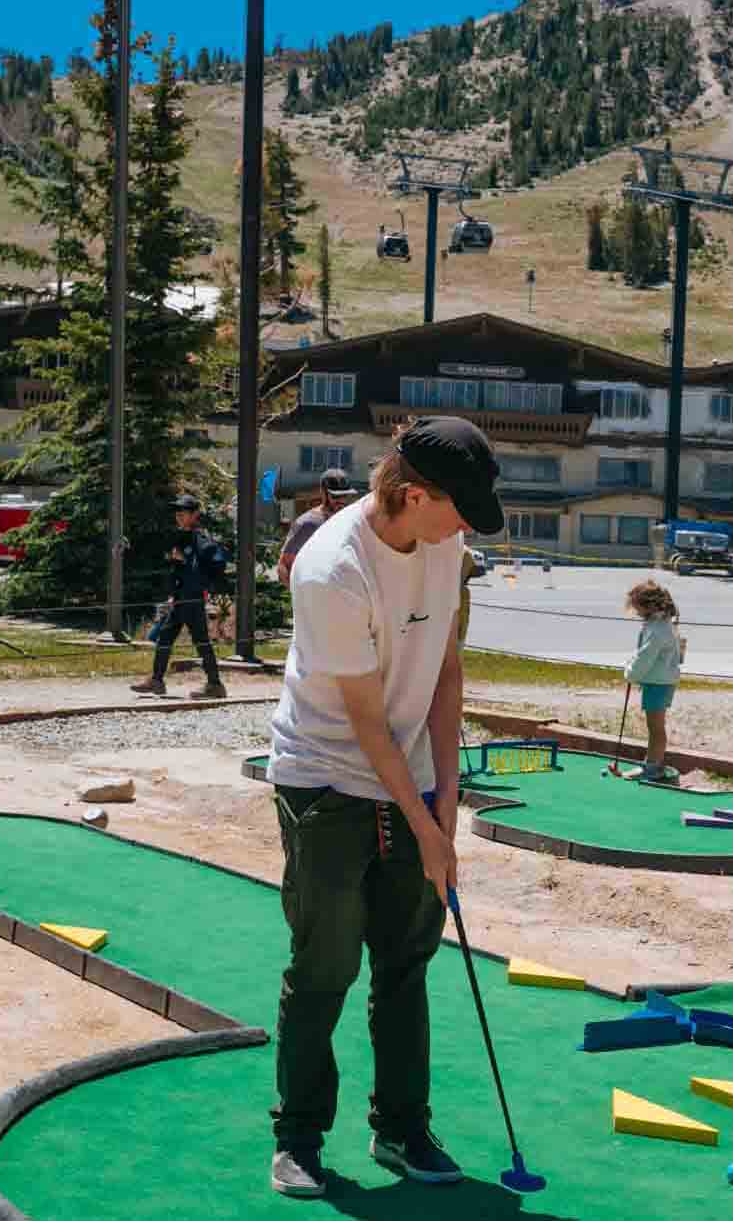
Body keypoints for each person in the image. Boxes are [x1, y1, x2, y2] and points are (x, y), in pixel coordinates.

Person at [263, 415, 504, 1199]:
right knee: (325, 963)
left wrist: (448, 808)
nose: (467, 522)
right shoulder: (333, 568)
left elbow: (445, 672)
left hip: (411, 770)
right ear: (411, 493)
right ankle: (298, 1137)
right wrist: (423, 823)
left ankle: (401, 1127)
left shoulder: (446, 547)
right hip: (325, 777)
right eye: (457, 504)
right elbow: (366, 722)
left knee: (406, 960)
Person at [131, 493, 229, 700]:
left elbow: (217, 561)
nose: (179, 516)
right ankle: (158, 680)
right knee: (168, 637)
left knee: (199, 641)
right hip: (181, 597)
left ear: (195, 515)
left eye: (183, 512)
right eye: (178, 512)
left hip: (191, 598)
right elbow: (181, 567)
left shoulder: (201, 539)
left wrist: (201, 580)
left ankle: (214, 685)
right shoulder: (183, 537)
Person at [621, 579, 685, 782]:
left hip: (659, 683)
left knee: (655, 728)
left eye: (636, 606)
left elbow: (645, 658)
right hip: (660, 681)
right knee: (655, 727)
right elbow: (643, 654)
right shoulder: (659, 624)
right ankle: (651, 765)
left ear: (648, 606)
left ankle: (653, 769)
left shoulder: (658, 630)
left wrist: (630, 673)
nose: (635, 611)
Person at [278, 467, 361, 586]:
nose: (341, 501)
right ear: (323, 493)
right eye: (335, 496)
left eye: (344, 496)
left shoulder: (350, 520)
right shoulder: (308, 524)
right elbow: (284, 565)